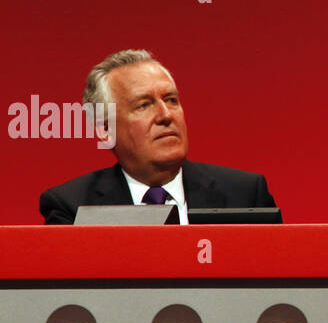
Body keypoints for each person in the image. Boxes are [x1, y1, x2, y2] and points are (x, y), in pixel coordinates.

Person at [39, 49, 276, 224]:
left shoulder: (245, 194)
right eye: (144, 105)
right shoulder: (73, 208)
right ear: (104, 129)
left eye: (171, 100)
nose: (165, 115)